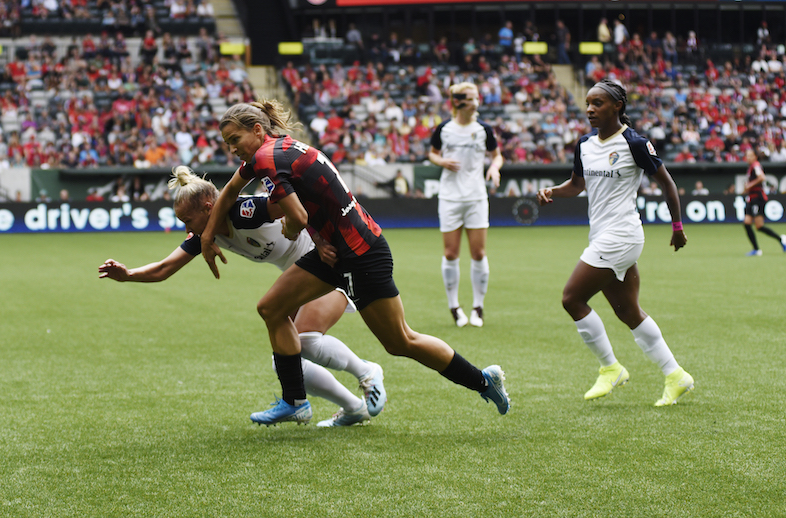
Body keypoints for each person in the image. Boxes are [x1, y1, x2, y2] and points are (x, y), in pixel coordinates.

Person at [200, 101, 510, 426]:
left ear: (257, 130)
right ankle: (295, 400)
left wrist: (291, 229)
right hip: (334, 252)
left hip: (361, 253)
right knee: (272, 308)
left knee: (401, 341)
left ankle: (483, 381)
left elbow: (297, 217)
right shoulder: (275, 151)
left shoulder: (266, 158)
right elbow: (232, 190)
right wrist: (207, 237)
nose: (232, 149)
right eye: (227, 143)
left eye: (235, 139)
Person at [99, 166, 386, 427]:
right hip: (302, 275)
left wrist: (321, 241)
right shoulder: (205, 235)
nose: (186, 228)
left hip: (331, 260)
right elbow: (164, 269)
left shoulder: (247, 210)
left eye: (188, 220)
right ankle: (353, 408)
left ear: (209, 208)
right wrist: (128, 275)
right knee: (285, 360)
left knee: (306, 339)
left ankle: (368, 372)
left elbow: (304, 208)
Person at [536, 79, 693, 407]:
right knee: (628, 311)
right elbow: (577, 185)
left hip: (623, 235)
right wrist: (553, 191)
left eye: (598, 103)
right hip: (602, 235)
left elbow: (668, 184)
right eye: (589, 104)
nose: (590, 109)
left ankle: (610, 368)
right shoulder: (584, 144)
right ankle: (676, 375)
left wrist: (677, 226)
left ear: (617, 106)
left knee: (571, 299)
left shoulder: (635, 144)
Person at [428, 82, 503, 328]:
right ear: (458, 102)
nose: (477, 102)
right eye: (471, 98)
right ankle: (454, 307)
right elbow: (432, 153)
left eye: (477, 97)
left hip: (476, 197)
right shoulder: (444, 129)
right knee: (451, 253)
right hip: (450, 198)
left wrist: (494, 167)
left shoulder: (484, 130)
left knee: (478, 253)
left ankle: (478, 307)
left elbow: (496, 155)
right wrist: (441, 162)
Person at [742, 148, 786, 256]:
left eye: (749, 156)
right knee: (747, 223)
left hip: (758, 198)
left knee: (759, 226)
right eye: (747, 155)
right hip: (751, 198)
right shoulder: (750, 168)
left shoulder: (756, 165)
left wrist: (750, 185)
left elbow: (762, 177)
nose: (747, 158)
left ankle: (781, 239)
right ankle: (756, 249)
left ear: (755, 157)